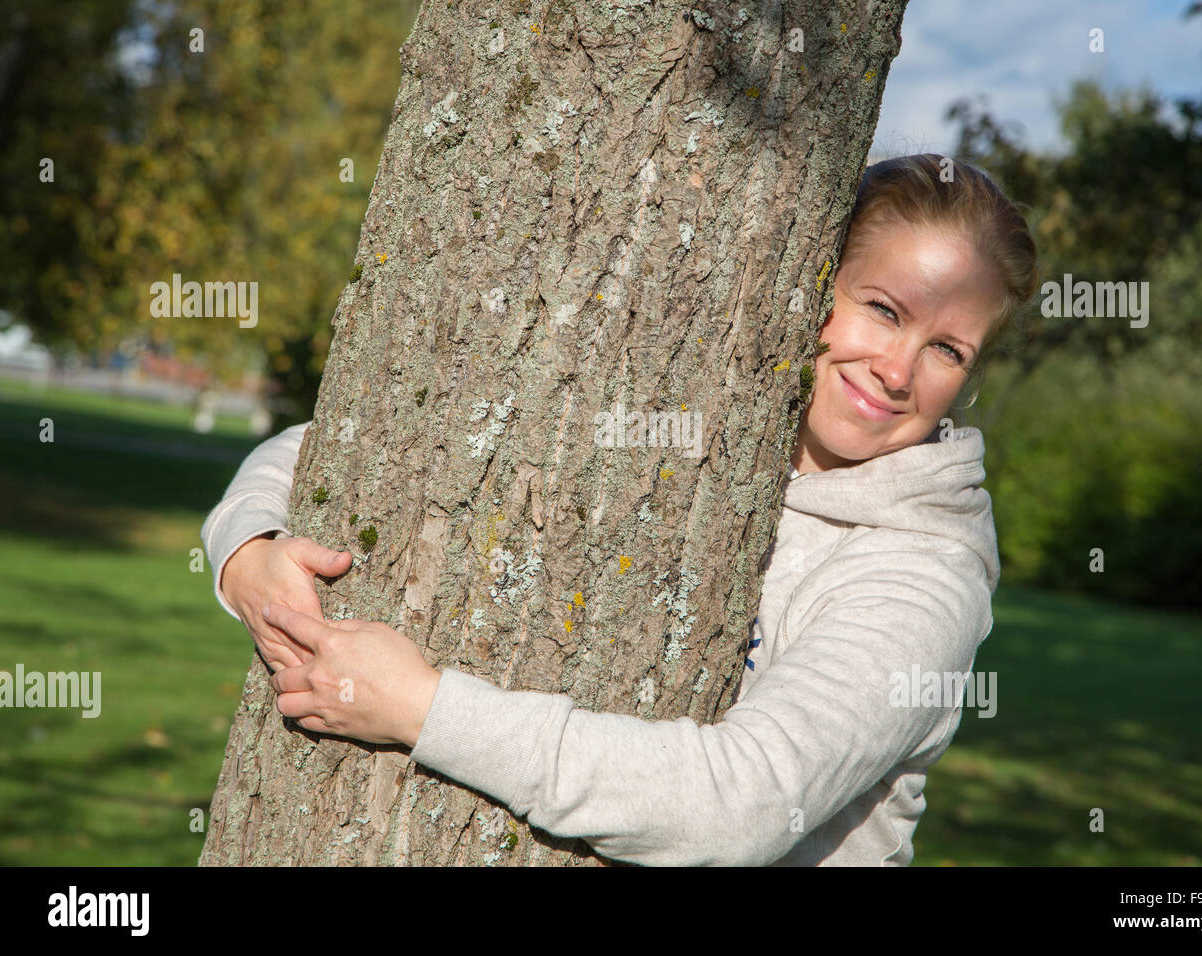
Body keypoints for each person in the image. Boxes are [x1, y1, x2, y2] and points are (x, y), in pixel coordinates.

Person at [201, 153, 1039, 866]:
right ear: (812, 280)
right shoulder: (709, 403)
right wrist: (248, 552)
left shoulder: (924, 574)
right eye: (882, 310)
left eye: (946, 349)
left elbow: (741, 802)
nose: (898, 369)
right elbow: (362, 436)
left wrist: (423, 709)